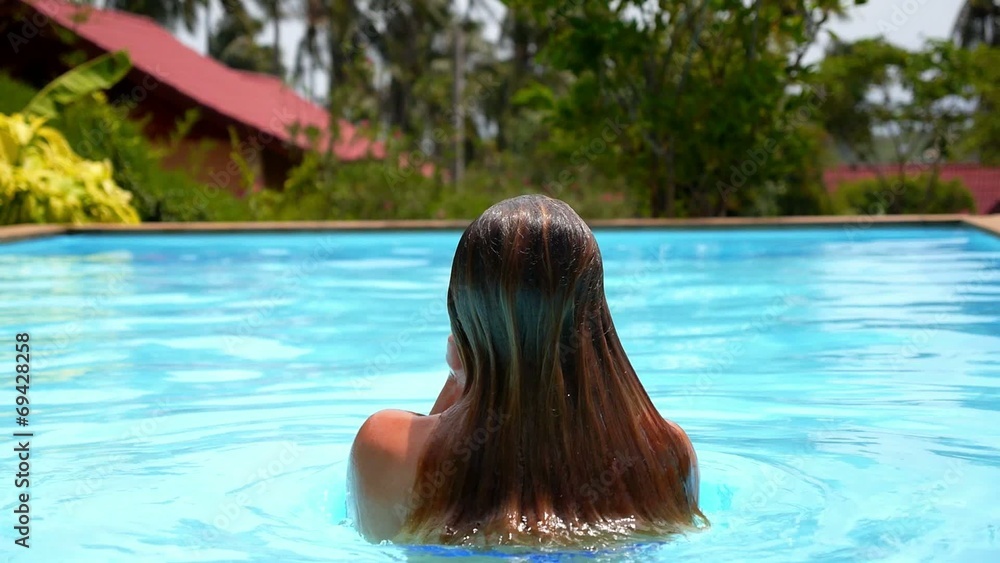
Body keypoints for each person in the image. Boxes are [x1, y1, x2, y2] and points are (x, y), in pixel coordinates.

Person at [348, 195, 705, 546]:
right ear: (595, 314)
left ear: (462, 313)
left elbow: (390, 530)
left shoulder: (383, 446)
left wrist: (464, 374)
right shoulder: (668, 455)